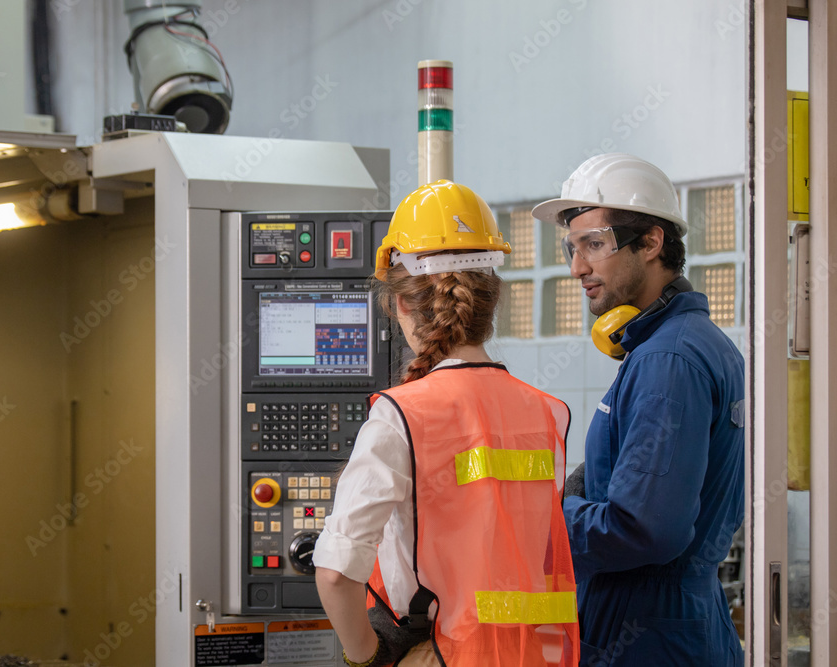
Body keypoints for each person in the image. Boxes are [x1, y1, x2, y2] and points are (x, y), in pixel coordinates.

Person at [314, 180, 579, 667]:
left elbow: (334, 574)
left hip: (436, 653)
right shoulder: (546, 411)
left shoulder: (399, 415)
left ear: (401, 303)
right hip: (530, 657)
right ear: (491, 302)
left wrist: (367, 657)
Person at [532, 153, 744, 666]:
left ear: (650, 242)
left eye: (594, 244)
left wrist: (538, 517)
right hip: (679, 623)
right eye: (571, 248)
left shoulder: (667, 361)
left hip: (647, 631)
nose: (577, 267)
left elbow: (644, 529)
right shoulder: (697, 345)